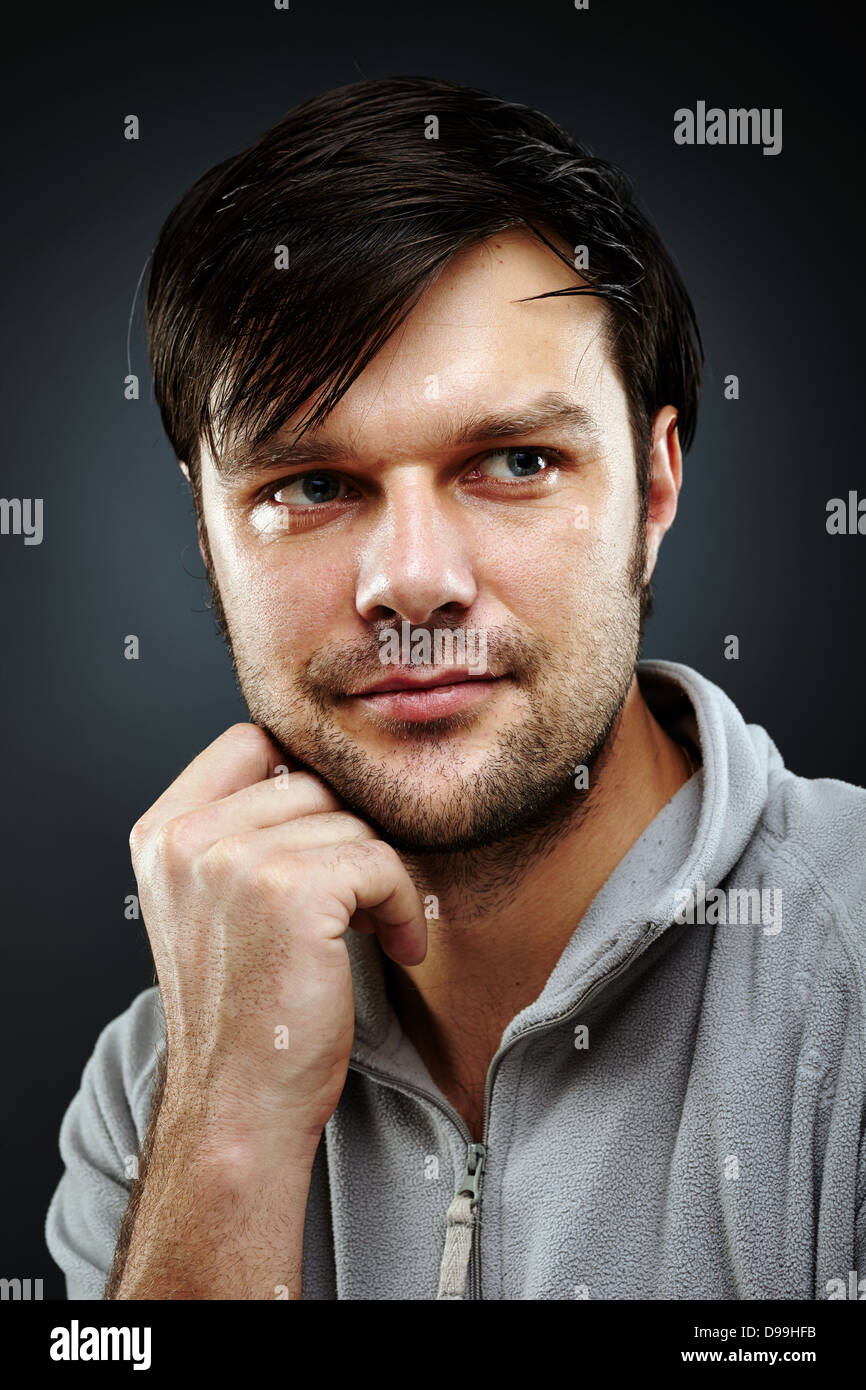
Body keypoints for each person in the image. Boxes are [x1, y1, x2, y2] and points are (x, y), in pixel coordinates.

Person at [46, 76, 866, 1300]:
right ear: (209, 536)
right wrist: (224, 1128)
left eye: (515, 461)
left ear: (654, 486)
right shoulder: (155, 1084)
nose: (412, 584)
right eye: (313, 485)